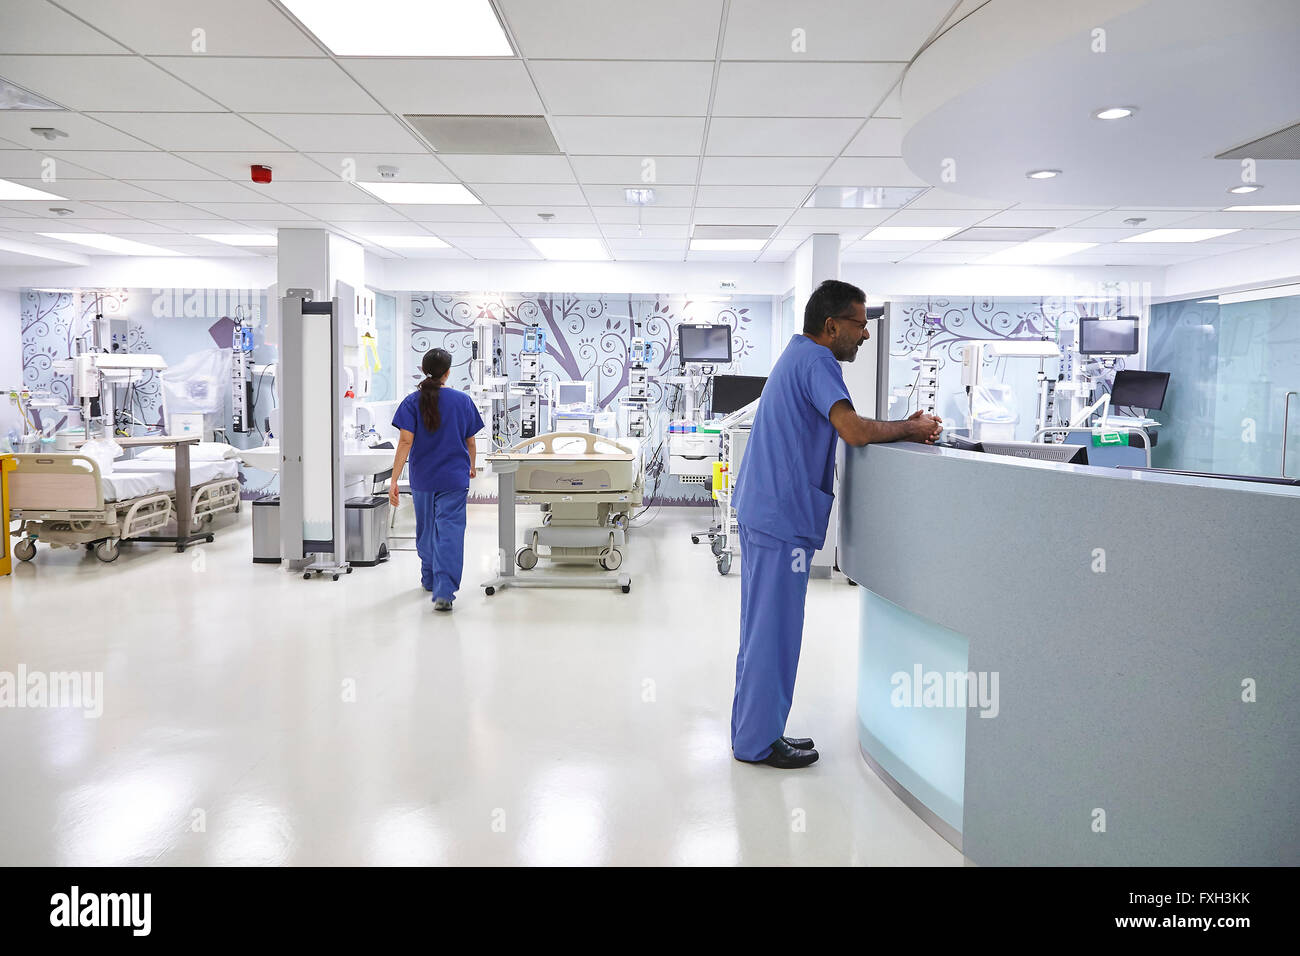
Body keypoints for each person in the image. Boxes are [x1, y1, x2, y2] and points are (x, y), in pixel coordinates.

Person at [730, 279, 943, 768]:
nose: (865, 336)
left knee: (762, 631)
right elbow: (852, 429)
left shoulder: (799, 355)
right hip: (780, 519)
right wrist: (910, 427)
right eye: (859, 325)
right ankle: (756, 744)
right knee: (773, 634)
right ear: (832, 327)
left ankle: (756, 732)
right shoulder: (819, 361)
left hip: (770, 513)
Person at [390, 348, 485, 612]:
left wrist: (394, 480)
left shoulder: (411, 402)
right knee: (450, 532)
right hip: (454, 478)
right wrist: (472, 466)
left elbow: (405, 441)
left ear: (423, 370)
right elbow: (471, 441)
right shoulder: (462, 401)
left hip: (423, 478)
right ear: (448, 372)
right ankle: (444, 591)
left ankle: (429, 578)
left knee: (426, 530)